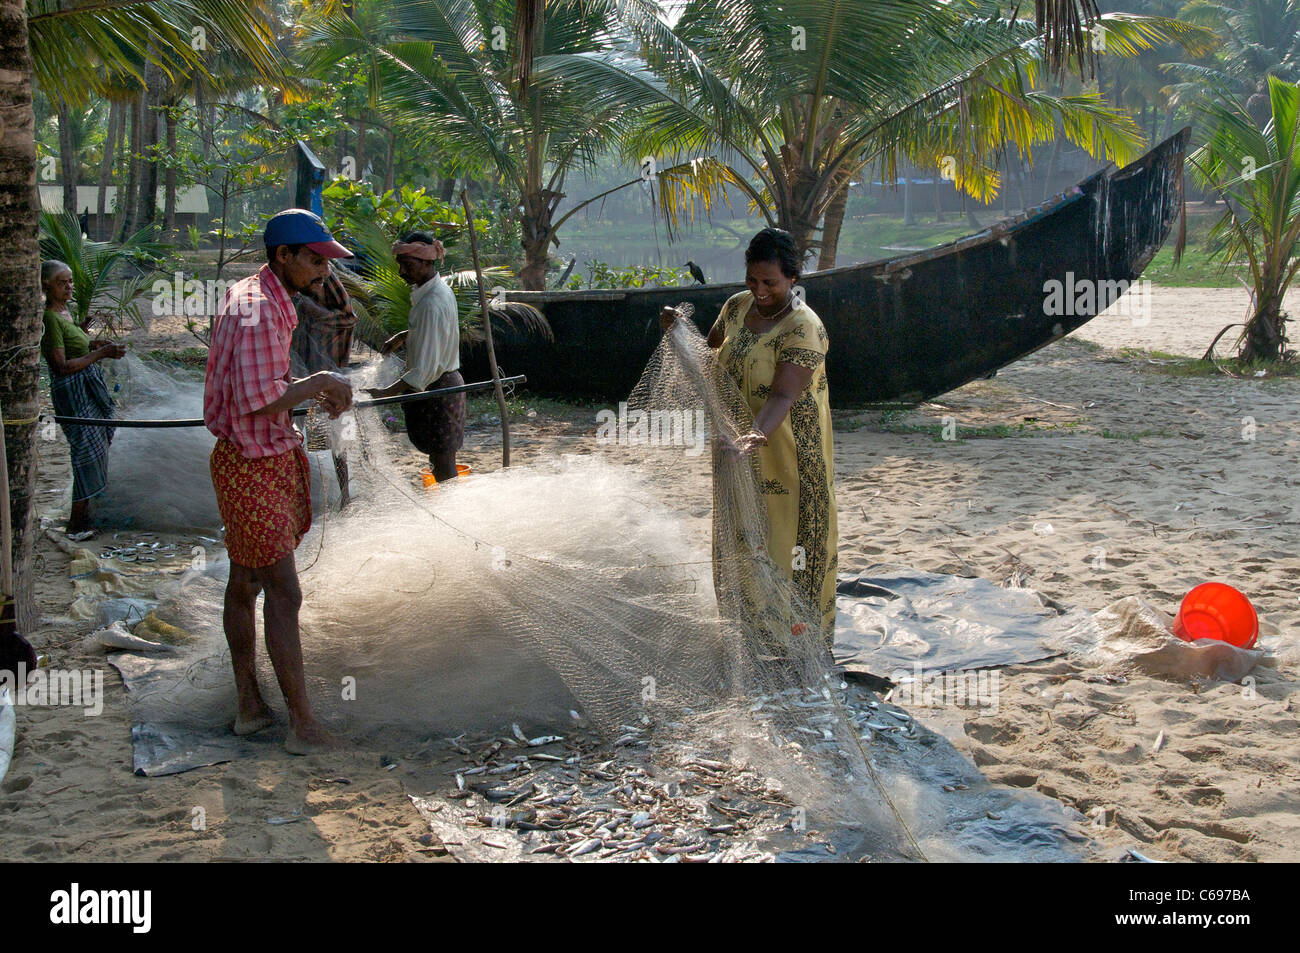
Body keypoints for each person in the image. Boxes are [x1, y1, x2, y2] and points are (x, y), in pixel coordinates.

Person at [203, 208, 354, 755]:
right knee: (284, 592)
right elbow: (256, 400)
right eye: (314, 260)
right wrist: (320, 381)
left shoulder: (258, 293)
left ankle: (249, 707)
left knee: (245, 583)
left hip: (253, 455)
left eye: (325, 261)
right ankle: (303, 726)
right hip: (253, 463)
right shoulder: (258, 308)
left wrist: (310, 389)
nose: (322, 272)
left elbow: (265, 386)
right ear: (283, 255)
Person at [660, 228, 839, 646]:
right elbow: (710, 358)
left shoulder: (803, 327)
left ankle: (796, 638)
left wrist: (754, 434)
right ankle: (748, 633)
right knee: (739, 533)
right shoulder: (736, 307)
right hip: (735, 445)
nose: (759, 291)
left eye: (770, 283)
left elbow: (782, 394)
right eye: (752, 281)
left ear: (792, 278)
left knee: (784, 542)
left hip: (787, 451)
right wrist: (680, 335)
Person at [365, 231, 466, 483]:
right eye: (401, 265)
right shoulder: (436, 291)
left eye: (407, 266)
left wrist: (384, 392)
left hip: (437, 389)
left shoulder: (430, 302)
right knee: (439, 458)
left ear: (427, 262)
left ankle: (450, 509)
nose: (402, 273)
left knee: (443, 461)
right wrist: (405, 335)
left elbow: (423, 370)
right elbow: (434, 333)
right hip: (444, 382)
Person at [40, 259, 126, 538]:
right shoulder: (50, 318)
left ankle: (88, 514)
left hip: (86, 388)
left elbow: (76, 347)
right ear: (46, 286)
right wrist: (100, 354)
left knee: (97, 446)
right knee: (87, 454)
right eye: (61, 283)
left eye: (70, 281)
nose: (68, 287)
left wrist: (90, 342)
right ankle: (78, 523)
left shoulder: (64, 314)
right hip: (73, 394)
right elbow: (61, 366)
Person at [290, 265, 357, 504]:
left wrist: (311, 309)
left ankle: (346, 495)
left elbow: (348, 319)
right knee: (305, 434)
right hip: (300, 367)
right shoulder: (288, 283)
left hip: (331, 368)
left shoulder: (325, 275)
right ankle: (309, 495)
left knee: (340, 437)